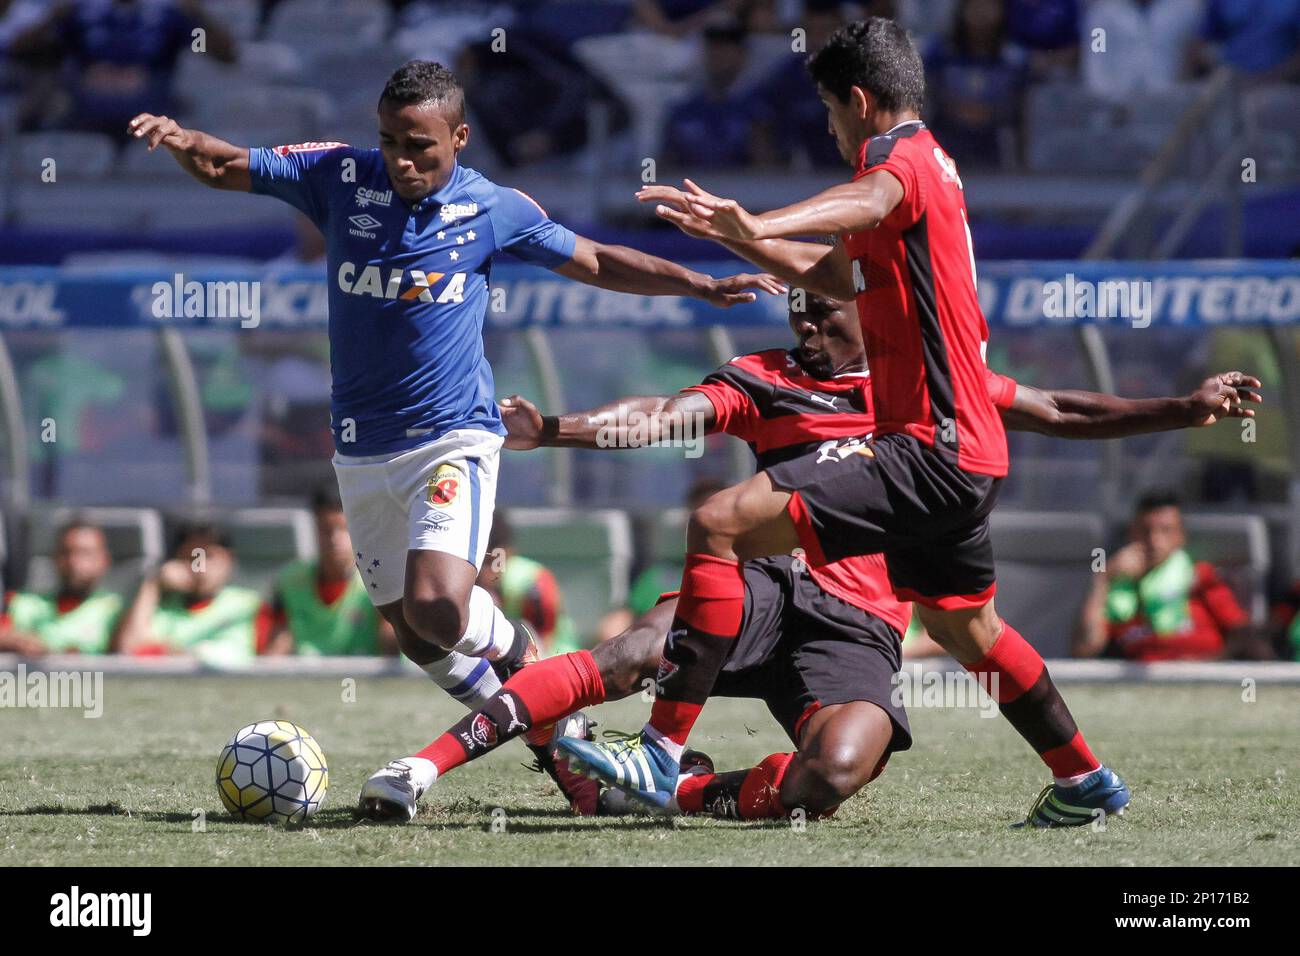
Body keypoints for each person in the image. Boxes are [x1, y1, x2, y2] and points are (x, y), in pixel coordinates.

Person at [558, 16, 1249, 826]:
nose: (827, 126)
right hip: (970, 459)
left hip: (928, 449)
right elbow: (838, 276)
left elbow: (868, 194)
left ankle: (659, 750)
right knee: (969, 630)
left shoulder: (898, 160)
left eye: (827, 110)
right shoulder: (936, 179)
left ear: (858, 100)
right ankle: (1084, 778)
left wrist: (760, 220)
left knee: (719, 521)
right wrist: (742, 239)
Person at [355, 287, 1259, 822]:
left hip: (860, 618)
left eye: (824, 315)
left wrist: (1182, 408)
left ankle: (681, 794)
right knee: (639, 650)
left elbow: (1060, 409)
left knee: (837, 771)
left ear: (871, 313)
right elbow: (667, 416)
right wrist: (552, 429)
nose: (807, 330)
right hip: (760, 582)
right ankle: (432, 764)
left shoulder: (928, 385)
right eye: (798, 313)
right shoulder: (765, 378)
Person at [127, 59, 778, 801]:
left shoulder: (493, 208)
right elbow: (223, 166)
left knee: (440, 604)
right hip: (361, 450)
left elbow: (595, 257)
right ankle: (559, 736)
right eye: (390, 140)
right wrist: (178, 137)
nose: (401, 159)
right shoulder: (341, 176)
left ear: (460, 137)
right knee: (414, 631)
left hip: (452, 436)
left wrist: (699, 283)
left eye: (420, 145)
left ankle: (535, 669)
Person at [1074, 491, 1251, 661]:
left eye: (1165, 530)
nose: (1154, 541)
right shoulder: (1117, 588)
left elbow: (1243, 636)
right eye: (1145, 531)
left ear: (1180, 537)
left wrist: (1205, 666)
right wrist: (1103, 578)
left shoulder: (1199, 577)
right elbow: (1085, 649)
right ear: (1132, 534)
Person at [261, 486, 398, 657]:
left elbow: (391, 649)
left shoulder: (378, 582)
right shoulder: (289, 581)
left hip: (362, 682)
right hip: (306, 681)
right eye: (326, 530)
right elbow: (278, 645)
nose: (334, 539)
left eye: (343, 529)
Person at [595, 476, 727, 643]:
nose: (706, 524)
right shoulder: (657, 577)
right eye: (697, 514)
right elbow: (624, 617)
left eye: (716, 514)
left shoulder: (748, 575)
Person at [111, 524, 262, 667]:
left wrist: (168, 652)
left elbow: (235, 658)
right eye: (192, 558)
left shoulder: (248, 604)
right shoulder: (164, 606)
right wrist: (152, 585)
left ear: (229, 560)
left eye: (208, 557)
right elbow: (129, 651)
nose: (200, 568)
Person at [0, 518, 122, 656]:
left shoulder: (116, 609)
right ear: (54, 558)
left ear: (104, 560)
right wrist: (14, 641)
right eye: (66, 553)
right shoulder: (23, 603)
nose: (73, 562)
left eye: (85, 553)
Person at [477, 514, 581, 656]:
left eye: (491, 562)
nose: (483, 574)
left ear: (509, 552)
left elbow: (543, 646)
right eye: (479, 563)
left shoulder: (533, 583)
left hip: (552, 661)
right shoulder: (461, 578)